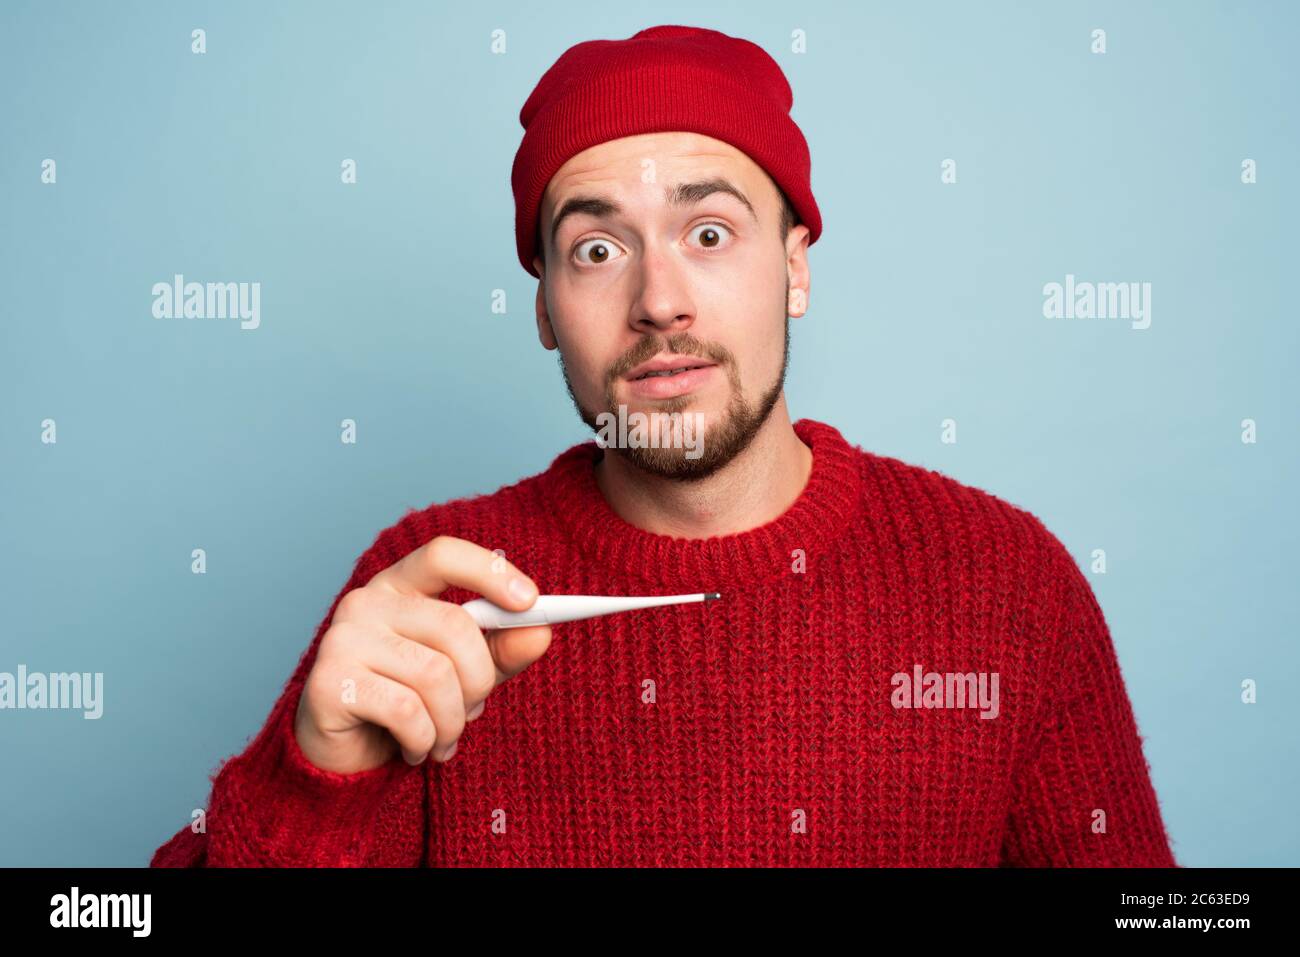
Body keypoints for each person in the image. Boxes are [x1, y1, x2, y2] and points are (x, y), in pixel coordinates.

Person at [152, 24, 1177, 867]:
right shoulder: (431, 592)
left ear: (795, 268)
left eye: (709, 233)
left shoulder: (1007, 585)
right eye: (596, 250)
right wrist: (311, 779)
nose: (658, 302)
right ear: (547, 309)